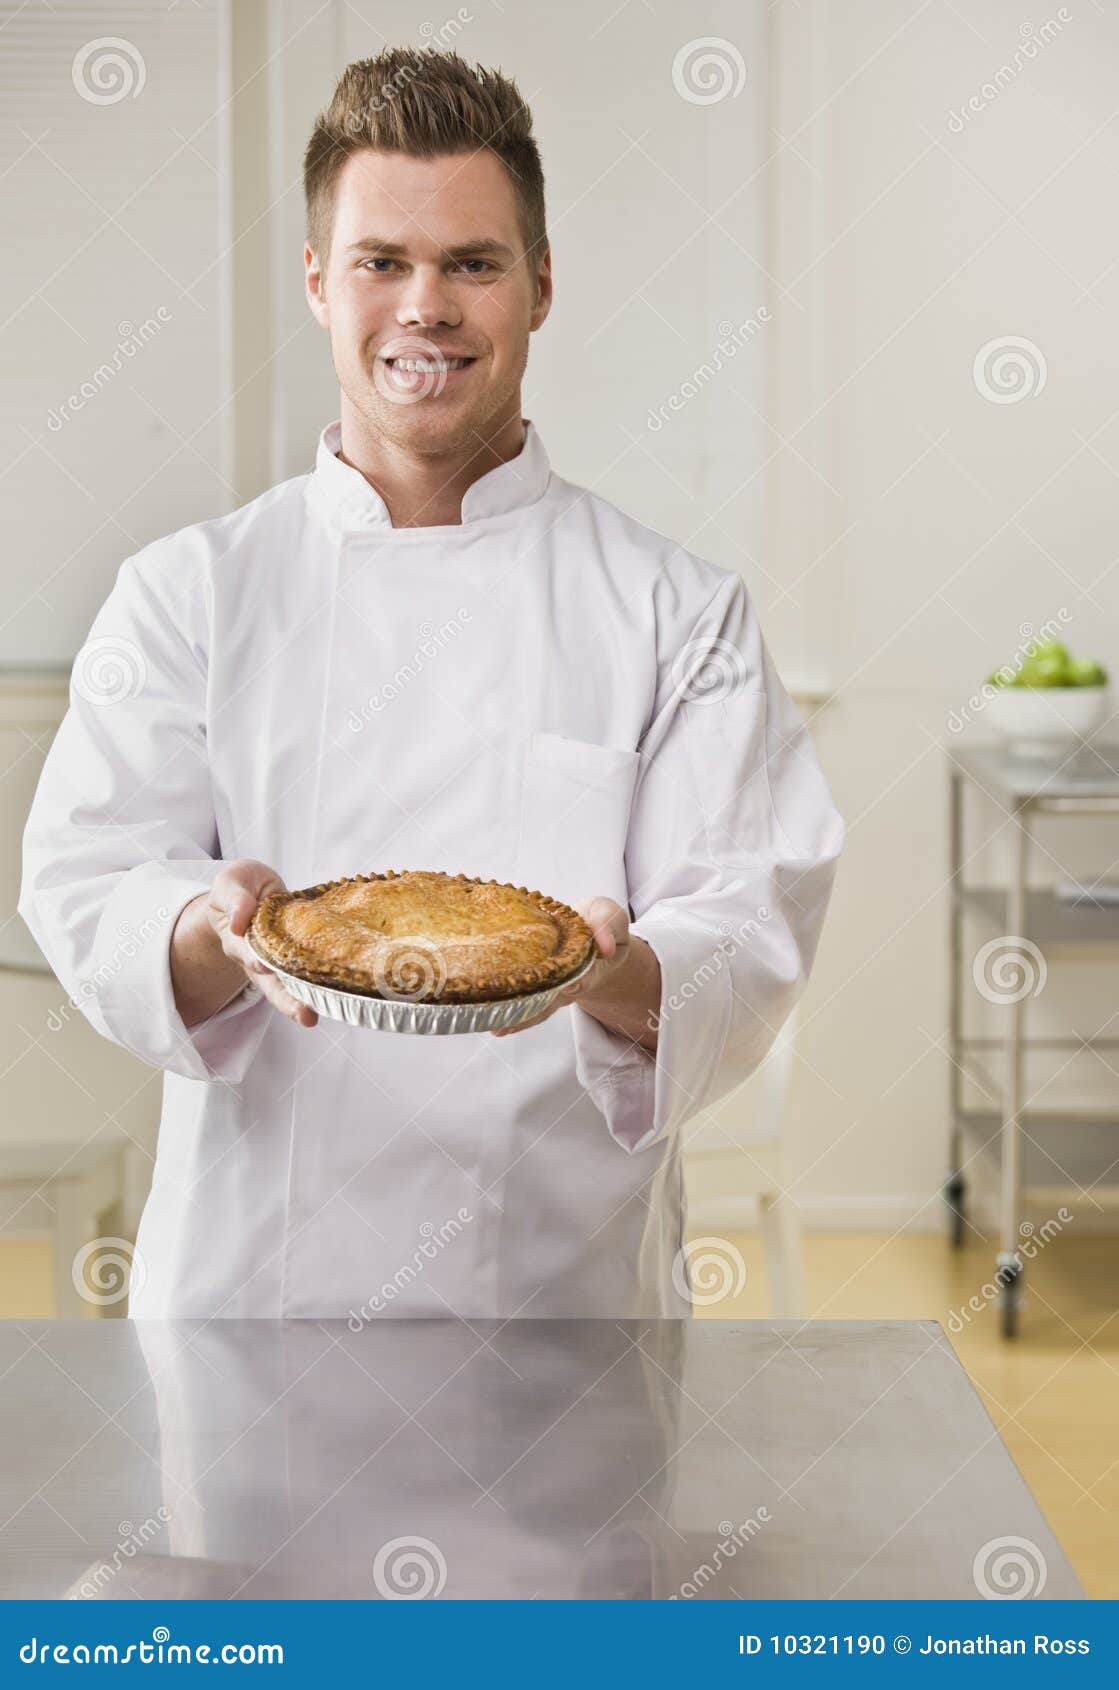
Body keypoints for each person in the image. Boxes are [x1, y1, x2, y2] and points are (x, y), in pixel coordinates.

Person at [19, 48, 845, 1320]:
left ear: (541, 283)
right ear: (317, 280)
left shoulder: (680, 612)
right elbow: (88, 883)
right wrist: (211, 930)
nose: (426, 307)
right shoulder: (190, 591)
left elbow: (748, 927)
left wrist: (608, 968)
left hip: (562, 1305)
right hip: (253, 1303)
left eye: (472, 263)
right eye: (381, 262)